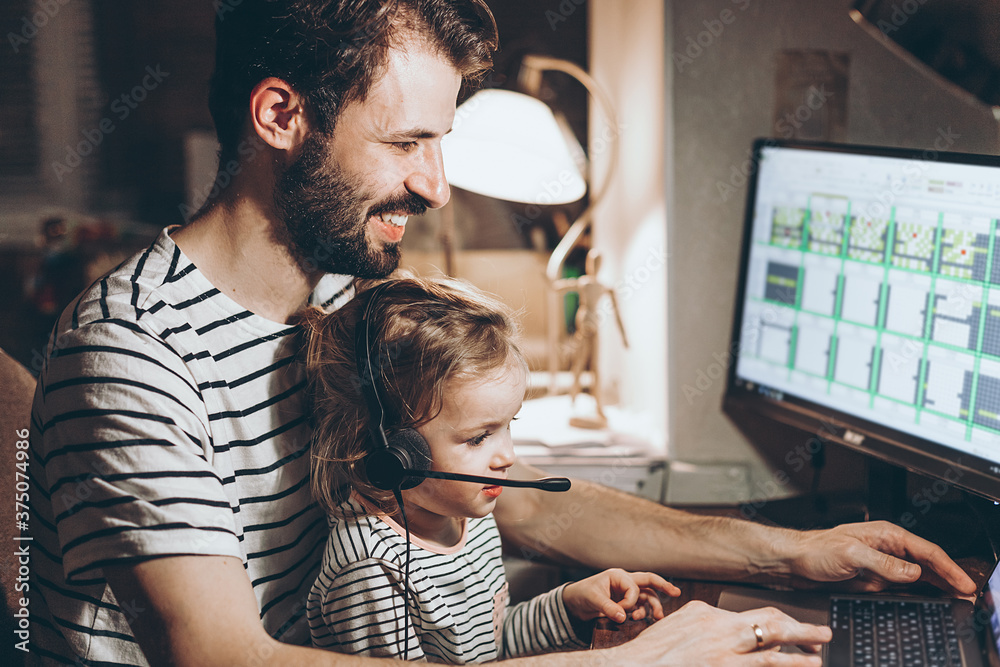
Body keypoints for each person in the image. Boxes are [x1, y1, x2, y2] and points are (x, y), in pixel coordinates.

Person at [26, 1, 976, 665]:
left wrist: (789, 554)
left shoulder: (337, 295)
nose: (436, 185)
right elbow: (221, 656)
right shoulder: (136, 352)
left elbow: (515, 500)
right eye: (406, 143)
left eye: (440, 142)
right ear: (281, 115)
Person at [301, 276, 680, 661]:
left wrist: (568, 607)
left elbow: (489, 644)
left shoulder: (469, 516)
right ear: (392, 452)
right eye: (479, 438)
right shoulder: (370, 570)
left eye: (508, 425)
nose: (507, 456)